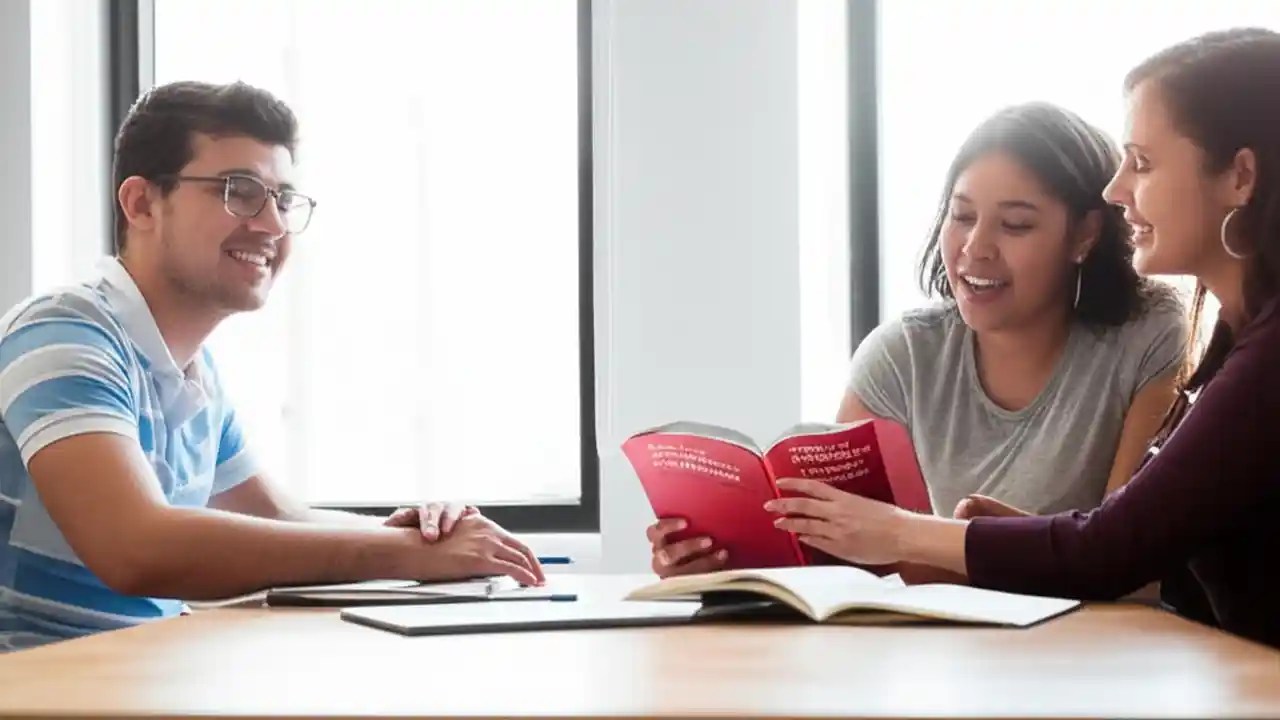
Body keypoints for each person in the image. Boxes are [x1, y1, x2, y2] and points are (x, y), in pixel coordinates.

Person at [765, 28, 1280, 650]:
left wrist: (903, 534)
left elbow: (1117, 550)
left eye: (1142, 164)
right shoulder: (1238, 335)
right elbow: (1149, 542)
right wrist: (1025, 542)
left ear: (1241, 177)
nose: (1117, 191)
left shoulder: (1253, 354)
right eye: (961, 214)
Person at [0, 81, 543, 652]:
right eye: (239, 191)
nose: (273, 225)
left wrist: (430, 533)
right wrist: (411, 555)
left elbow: (277, 514)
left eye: (282, 200)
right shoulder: (62, 333)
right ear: (140, 204)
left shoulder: (191, 372)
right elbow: (136, 546)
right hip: (31, 687)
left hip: (122, 682)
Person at [649, 102, 1187, 577]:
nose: (976, 248)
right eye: (963, 215)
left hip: (1086, 659)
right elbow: (840, 560)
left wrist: (929, 546)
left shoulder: (1145, 336)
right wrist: (720, 565)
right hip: (924, 660)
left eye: (1016, 225)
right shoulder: (901, 356)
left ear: (1085, 235)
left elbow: (1132, 569)